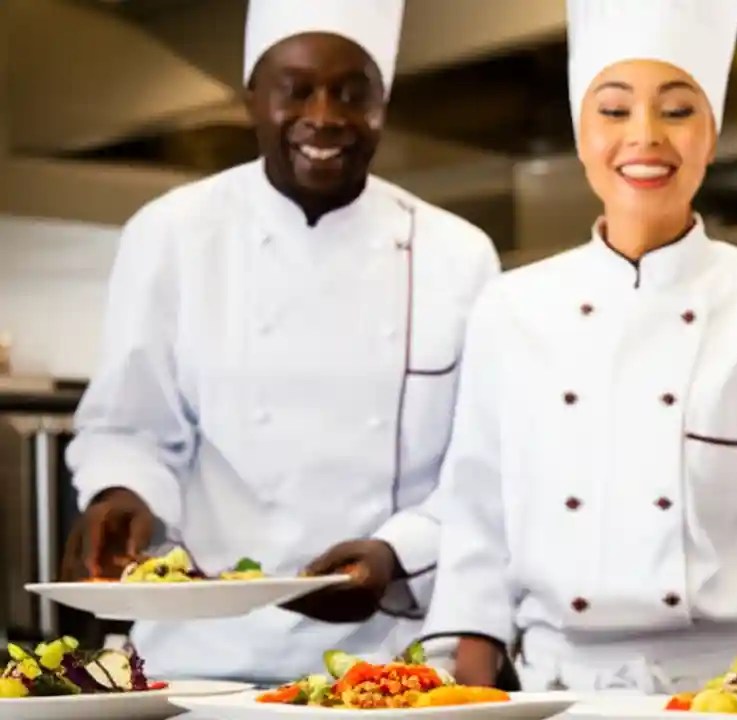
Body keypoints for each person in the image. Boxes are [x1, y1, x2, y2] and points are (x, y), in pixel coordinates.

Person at [421, 0, 737, 693]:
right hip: (550, 693)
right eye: (615, 109)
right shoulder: (511, 309)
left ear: (711, 136)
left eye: (679, 110)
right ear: (580, 133)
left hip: (733, 692)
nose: (646, 136)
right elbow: (476, 514)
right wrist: (457, 680)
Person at [61, 0, 499, 683]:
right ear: (252, 100)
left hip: (388, 658)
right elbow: (130, 426)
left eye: (353, 92)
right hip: (203, 658)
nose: (323, 116)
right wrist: (122, 493)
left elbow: (479, 470)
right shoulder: (172, 233)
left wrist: (392, 555)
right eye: (295, 89)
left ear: (384, 102)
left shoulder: (458, 255)